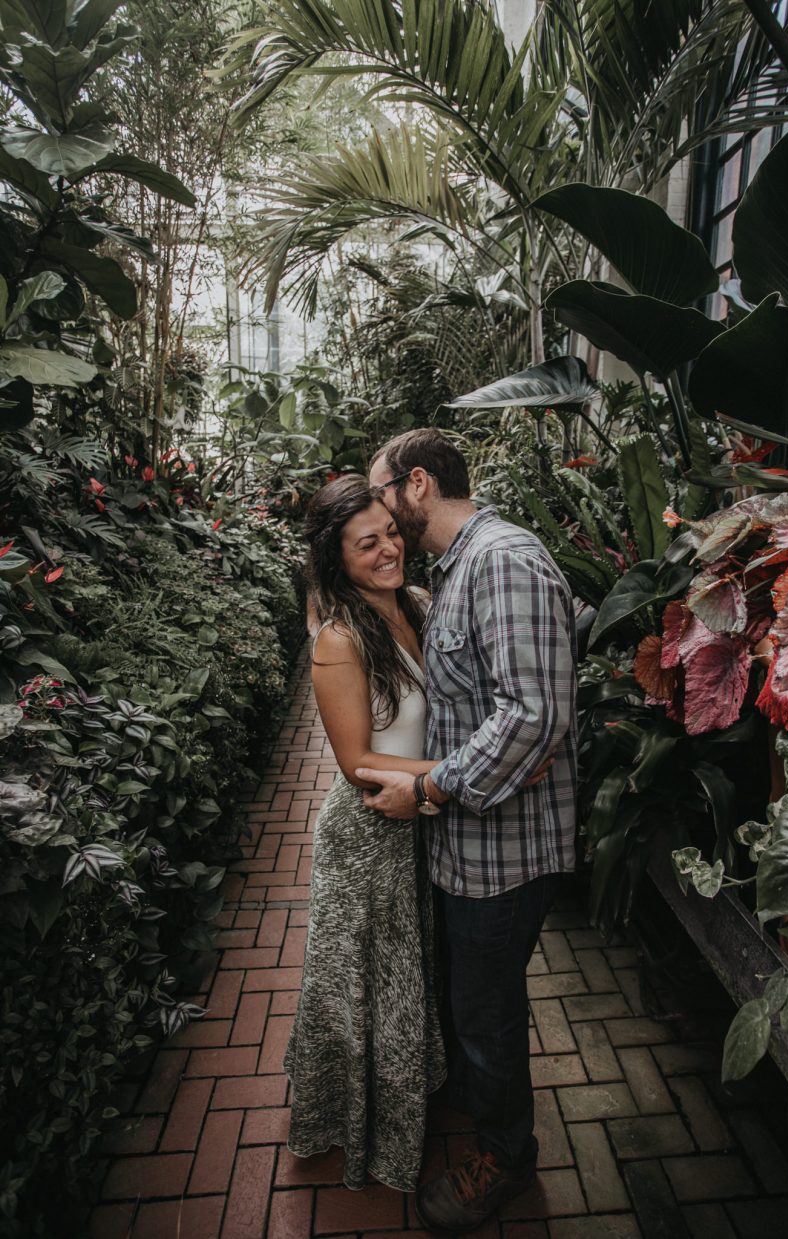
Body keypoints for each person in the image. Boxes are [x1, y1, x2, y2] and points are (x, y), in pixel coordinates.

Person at [358, 428, 577, 1232]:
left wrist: (439, 786)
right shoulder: (457, 569)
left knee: (486, 1010)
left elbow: (533, 713)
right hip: (472, 847)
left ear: (417, 483)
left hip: (506, 854)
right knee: (472, 998)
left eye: (382, 495)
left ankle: (505, 1154)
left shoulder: (502, 561)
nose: (379, 517)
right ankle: (485, 1108)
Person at [283, 473, 446, 1192]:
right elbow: (355, 762)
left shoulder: (416, 603)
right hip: (367, 834)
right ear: (337, 558)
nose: (387, 549)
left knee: (406, 979)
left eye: (389, 532)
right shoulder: (339, 640)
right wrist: (460, 772)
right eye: (366, 543)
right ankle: (348, 1121)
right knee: (362, 989)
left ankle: (411, 1093)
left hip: (419, 818)